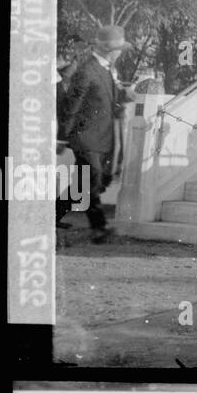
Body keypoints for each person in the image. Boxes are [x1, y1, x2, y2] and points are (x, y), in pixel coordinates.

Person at [58, 25, 131, 241]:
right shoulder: (87, 70)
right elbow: (71, 106)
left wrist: (126, 96)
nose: (120, 53)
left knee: (83, 185)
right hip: (85, 139)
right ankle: (99, 228)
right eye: (118, 49)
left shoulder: (106, 70)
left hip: (101, 139)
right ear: (110, 50)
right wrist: (63, 137)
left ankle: (49, 217)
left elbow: (108, 100)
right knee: (92, 182)